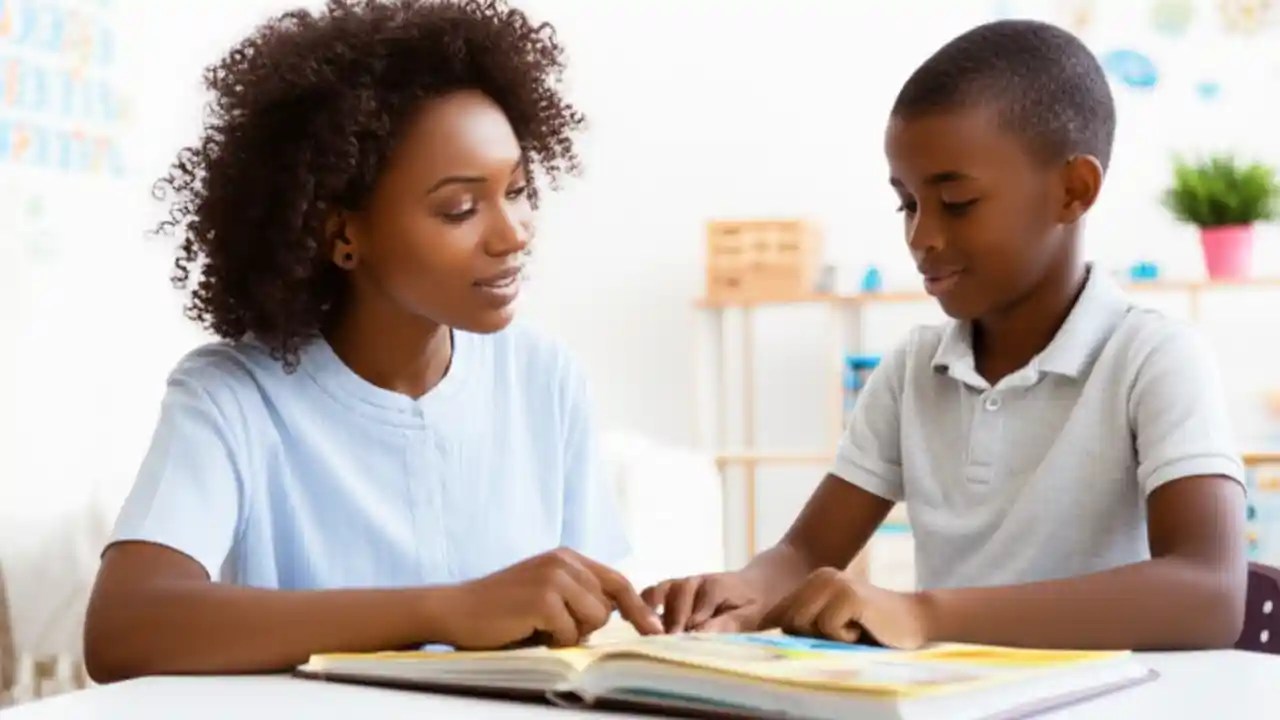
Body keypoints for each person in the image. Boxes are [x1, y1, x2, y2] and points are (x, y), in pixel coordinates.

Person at [83, 0, 661, 684]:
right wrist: (444, 610)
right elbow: (125, 628)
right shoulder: (233, 397)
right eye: (460, 208)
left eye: (519, 189)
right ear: (342, 234)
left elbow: (581, 624)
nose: (513, 234)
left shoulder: (545, 379)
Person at [644, 19, 1248, 651]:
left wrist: (926, 615)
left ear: (1073, 191)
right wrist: (742, 592)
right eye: (907, 203)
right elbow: (803, 553)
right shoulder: (913, 370)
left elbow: (1208, 594)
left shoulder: (1153, 358)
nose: (921, 236)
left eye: (956, 202)